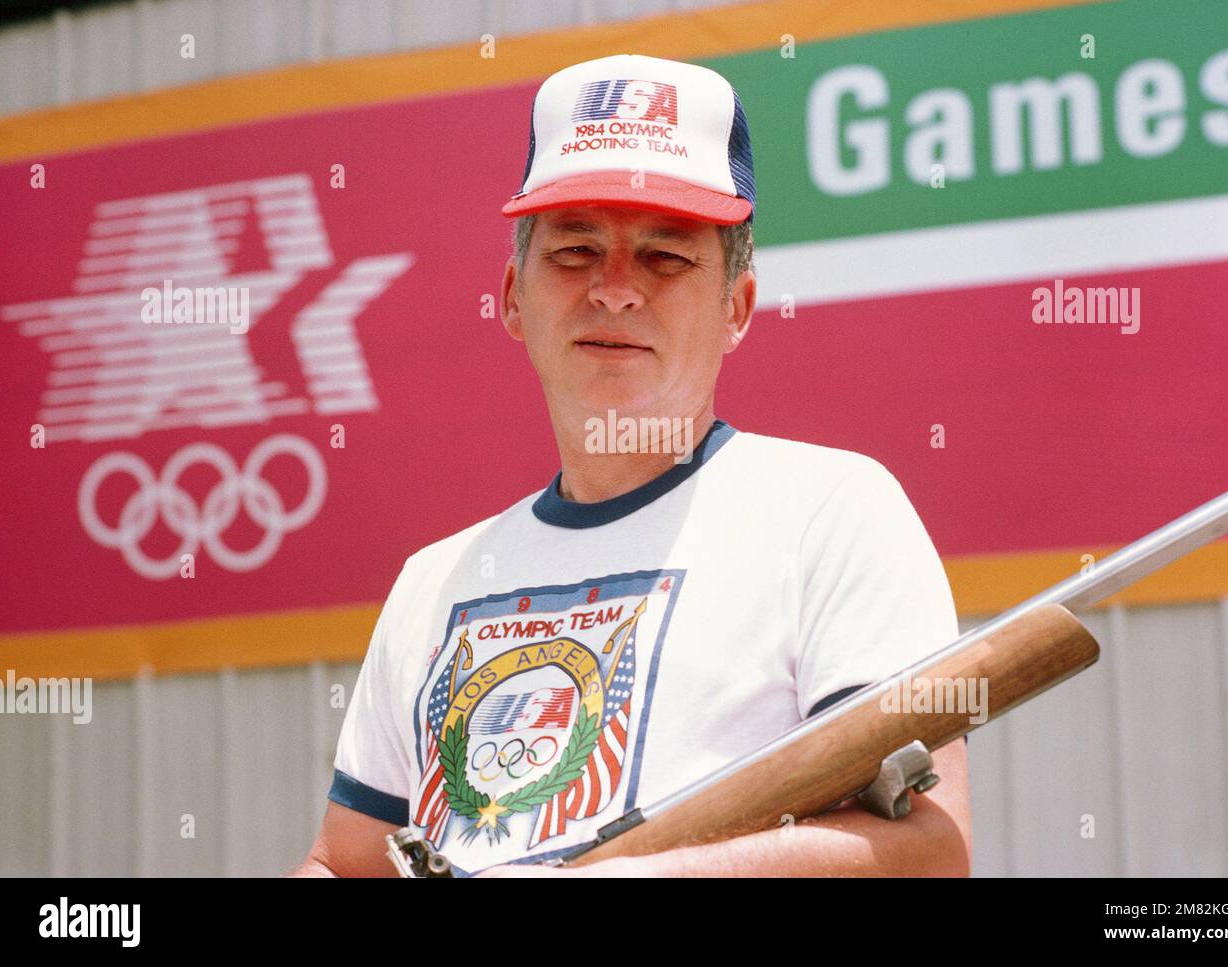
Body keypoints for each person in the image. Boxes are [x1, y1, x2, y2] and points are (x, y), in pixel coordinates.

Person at [291, 53, 968, 877]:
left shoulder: (832, 514)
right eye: (574, 249)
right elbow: (346, 861)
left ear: (738, 306)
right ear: (512, 294)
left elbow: (929, 853)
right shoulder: (432, 581)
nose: (614, 290)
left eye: (666, 256)